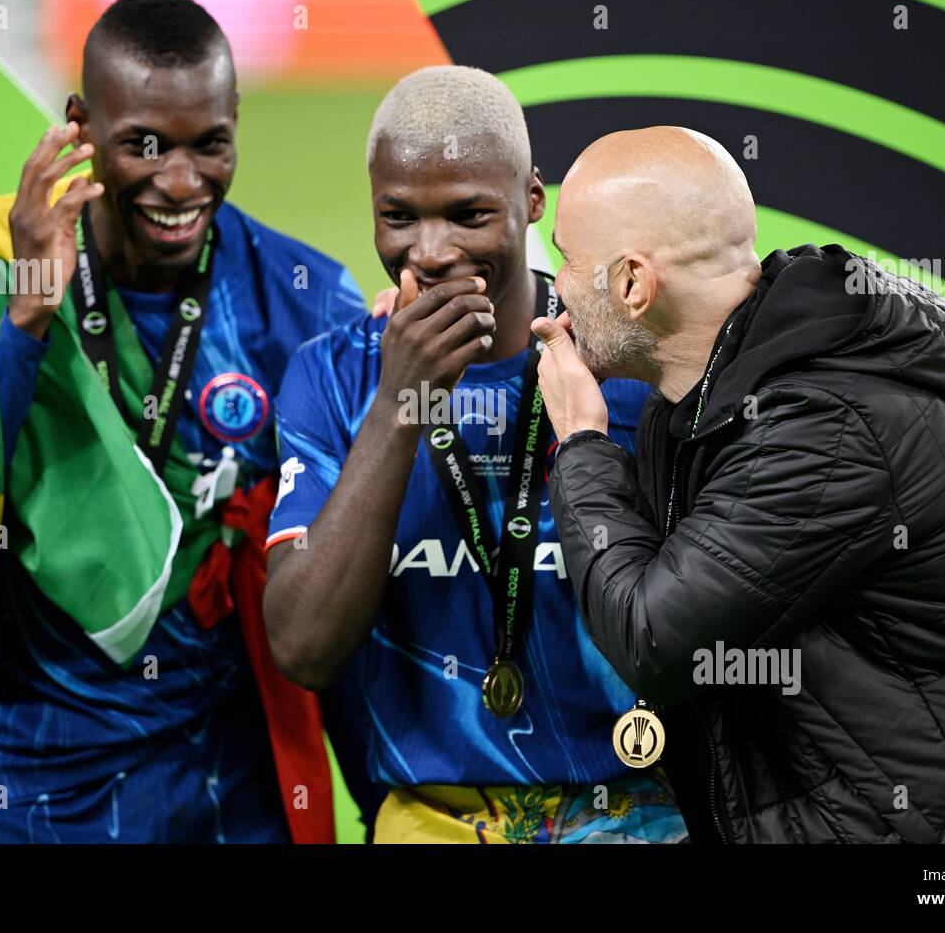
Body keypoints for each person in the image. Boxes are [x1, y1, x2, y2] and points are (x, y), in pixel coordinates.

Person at [0, 0, 378, 843]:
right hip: (33, 783)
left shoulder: (303, 305)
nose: (182, 182)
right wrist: (25, 321)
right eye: (144, 146)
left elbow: (362, 574)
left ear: (237, 125)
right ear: (79, 124)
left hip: (234, 793)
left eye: (210, 144)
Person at [531, 124, 945, 842]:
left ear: (633, 285)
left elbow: (655, 640)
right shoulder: (698, 405)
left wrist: (581, 442)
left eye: (565, 260)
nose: (555, 291)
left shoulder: (820, 423)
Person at [262, 66, 688, 844]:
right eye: (398, 216)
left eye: (468, 214)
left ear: (531, 198)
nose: (429, 252)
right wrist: (399, 403)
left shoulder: (635, 363)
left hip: (644, 813)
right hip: (433, 822)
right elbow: (303, 646)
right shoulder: (332, 373)